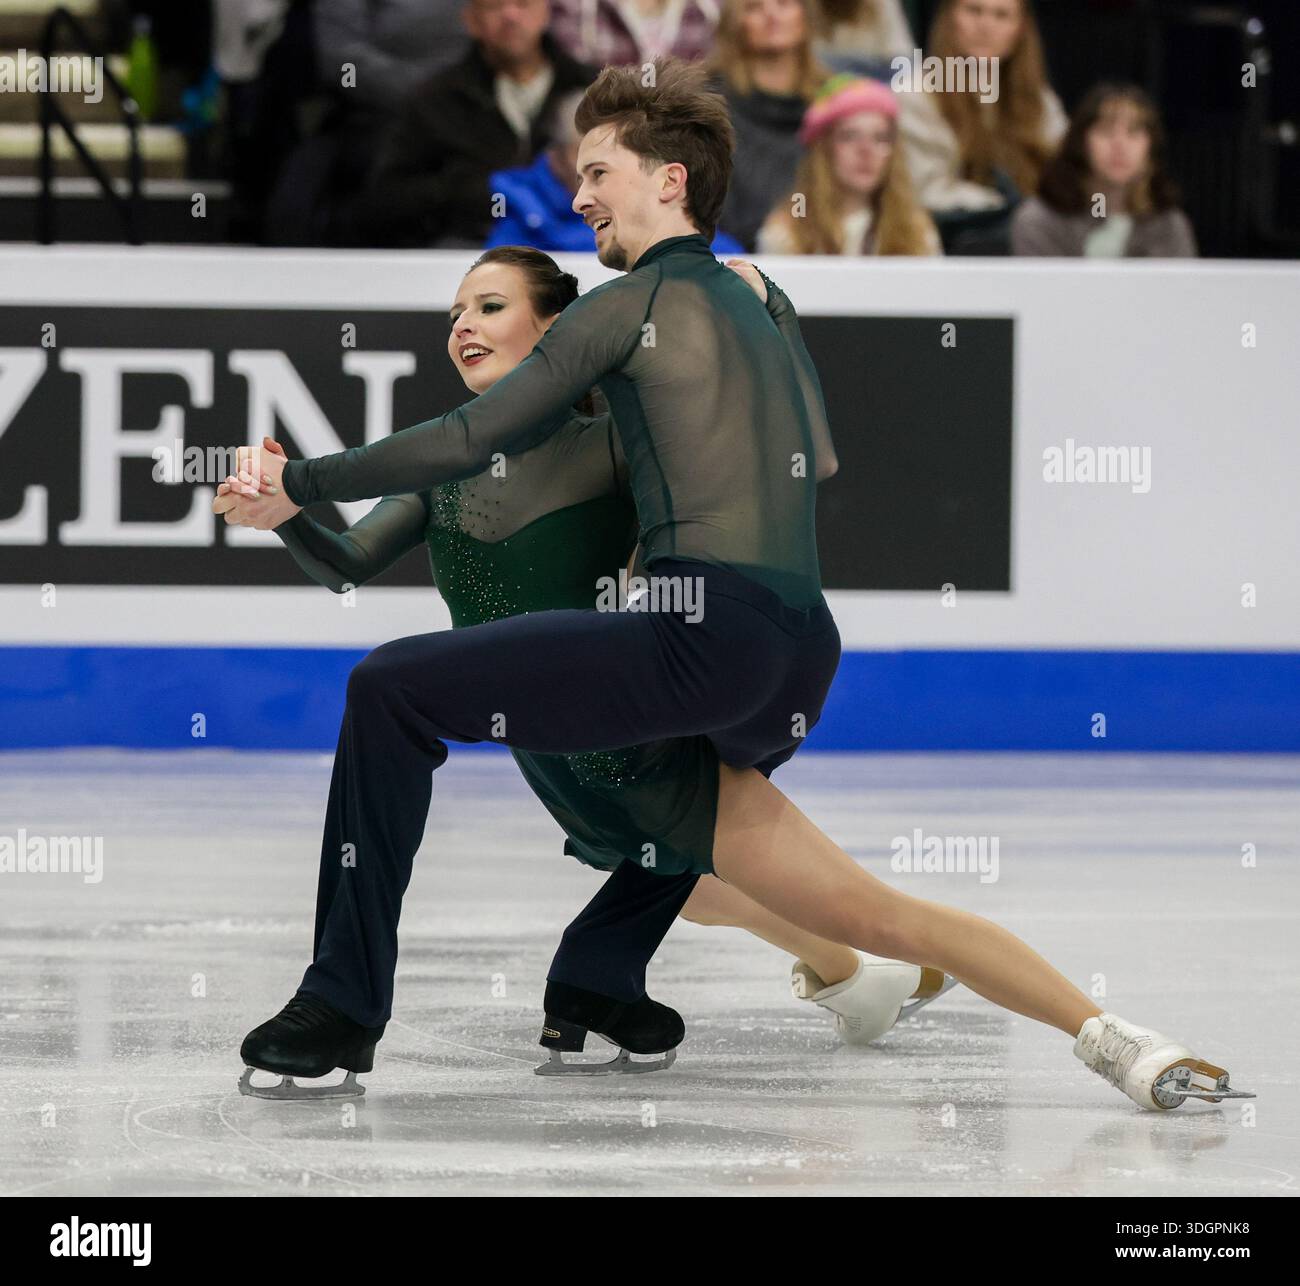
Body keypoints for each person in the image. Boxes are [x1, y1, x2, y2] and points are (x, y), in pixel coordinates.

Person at [219, 56, 1252, 1112]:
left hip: (697, 636)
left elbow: (467, 434)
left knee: (388, 687)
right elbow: (821, 456)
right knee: (860, 905)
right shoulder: (759, 298)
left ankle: (341, 1007)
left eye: (598, 173)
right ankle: (1125, 1042)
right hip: (797, 650)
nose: (577, 199)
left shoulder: (624, 306)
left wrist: (297, 476)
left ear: (670, 181)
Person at [218, 244, 946, 1090]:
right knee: (681, 854)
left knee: (693, 835)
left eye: (489, 307)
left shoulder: (617, 447)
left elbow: (794, 454)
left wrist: (773, 311)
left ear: (558, 330)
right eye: (454, 314)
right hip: (541, 736)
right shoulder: (444, 472)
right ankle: (580, 978)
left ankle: (585, 977)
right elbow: (347, 561)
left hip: (628, 714)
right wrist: (284, 518)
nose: (463, 327)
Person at [357, 0, 596, 248]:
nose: (510, 15)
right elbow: (384, 203)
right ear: (470, 20)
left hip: (580, 246)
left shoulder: (593, 89)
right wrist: (464, 190)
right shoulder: (434, 100)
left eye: (523, 4)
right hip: (466, 251)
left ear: (546, 12)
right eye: (494, 6)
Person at [894, 0, 1066, 254]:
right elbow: (924, 191)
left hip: (1029, 246)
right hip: (946, 240)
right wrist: (1009, 208)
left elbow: (1068, 180)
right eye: (974, 10)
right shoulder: (915, 95)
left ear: (1020, 29)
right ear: (949, 18)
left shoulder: (1040, 101)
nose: (986, 26)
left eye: (1001, 15)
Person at [486, 89, 746, 252]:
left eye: (599, 172)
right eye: (583, 166)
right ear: (556, 157)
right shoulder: (519, 217)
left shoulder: (714, 252)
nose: (581, 201)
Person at [757, 73, 941, 254]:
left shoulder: (918, 233)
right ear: (823, 150)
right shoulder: (785, 233)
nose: (866, 151)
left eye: (881, 138)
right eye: (849, 136)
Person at [1012, 83, 1197, 258]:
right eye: (1105, 131)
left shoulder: (1169, 225)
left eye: (1133, 132)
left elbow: (1181, 289)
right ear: (1080, 144)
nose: (1119, 145)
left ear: (1151, 147)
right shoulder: (1040, 221)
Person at [706, 0, 832, 251]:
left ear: (805, 15)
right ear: (734, 24)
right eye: (754, 8)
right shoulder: (706, 102)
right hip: (729, 257)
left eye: (784, 4)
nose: (771, 16)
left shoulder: (837, 99)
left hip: (826, 254)